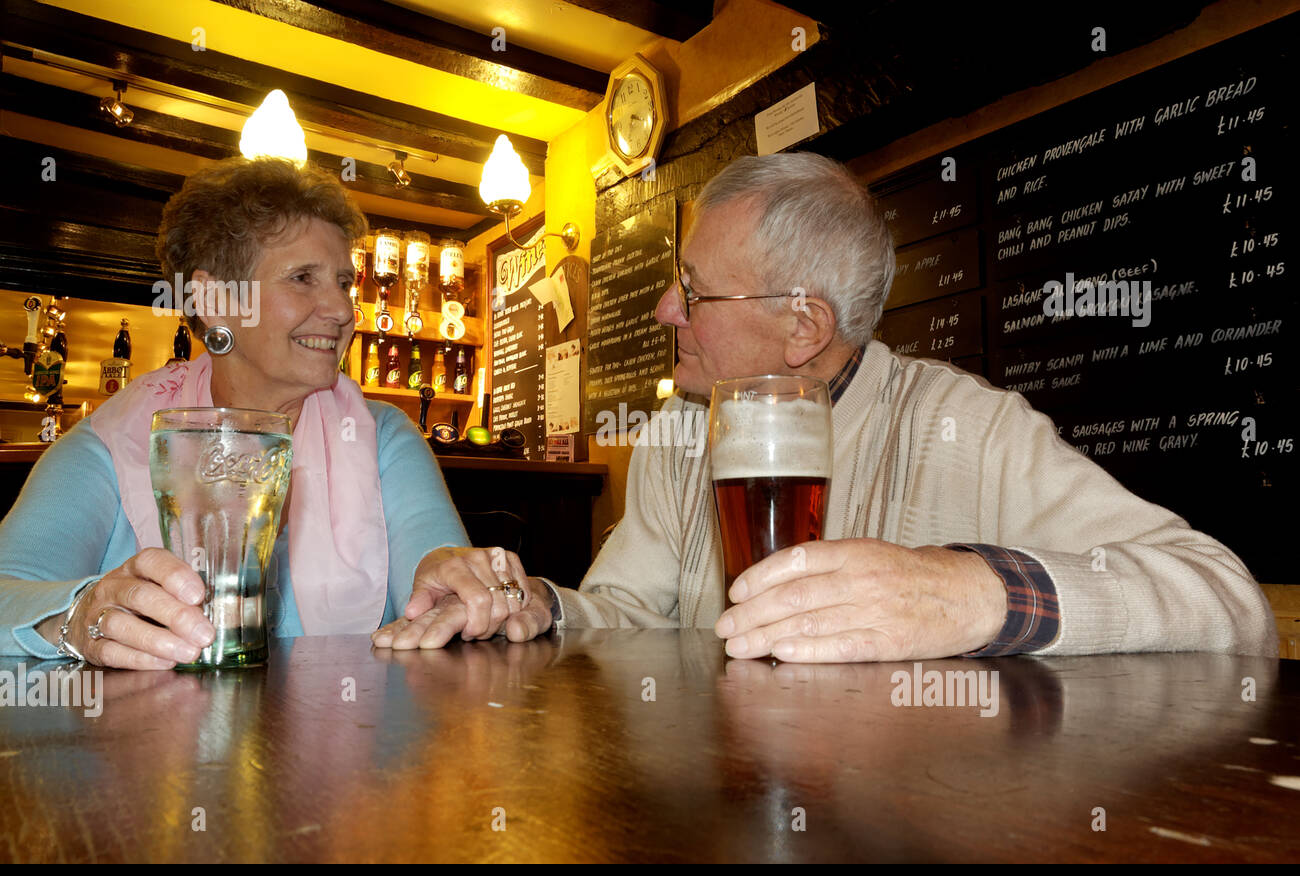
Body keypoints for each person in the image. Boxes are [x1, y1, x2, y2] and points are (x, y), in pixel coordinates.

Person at [528, 152, 1276, 661]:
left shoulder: (971, 428)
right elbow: (624, 619)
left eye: (694, 289)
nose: (665, 310)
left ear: (804, 328)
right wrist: (533, 606)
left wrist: (975, 592)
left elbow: (1232, 605)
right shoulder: (679, 431)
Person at [0, 157, 551, 669]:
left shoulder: (382, 436)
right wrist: (76, 616)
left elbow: (434, 570)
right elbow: (8, 589)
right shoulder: (110, 442)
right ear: (216, 300)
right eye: (302, 278)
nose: (342, 311)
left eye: (343, 282)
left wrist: (460, 587)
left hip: (350, 759)